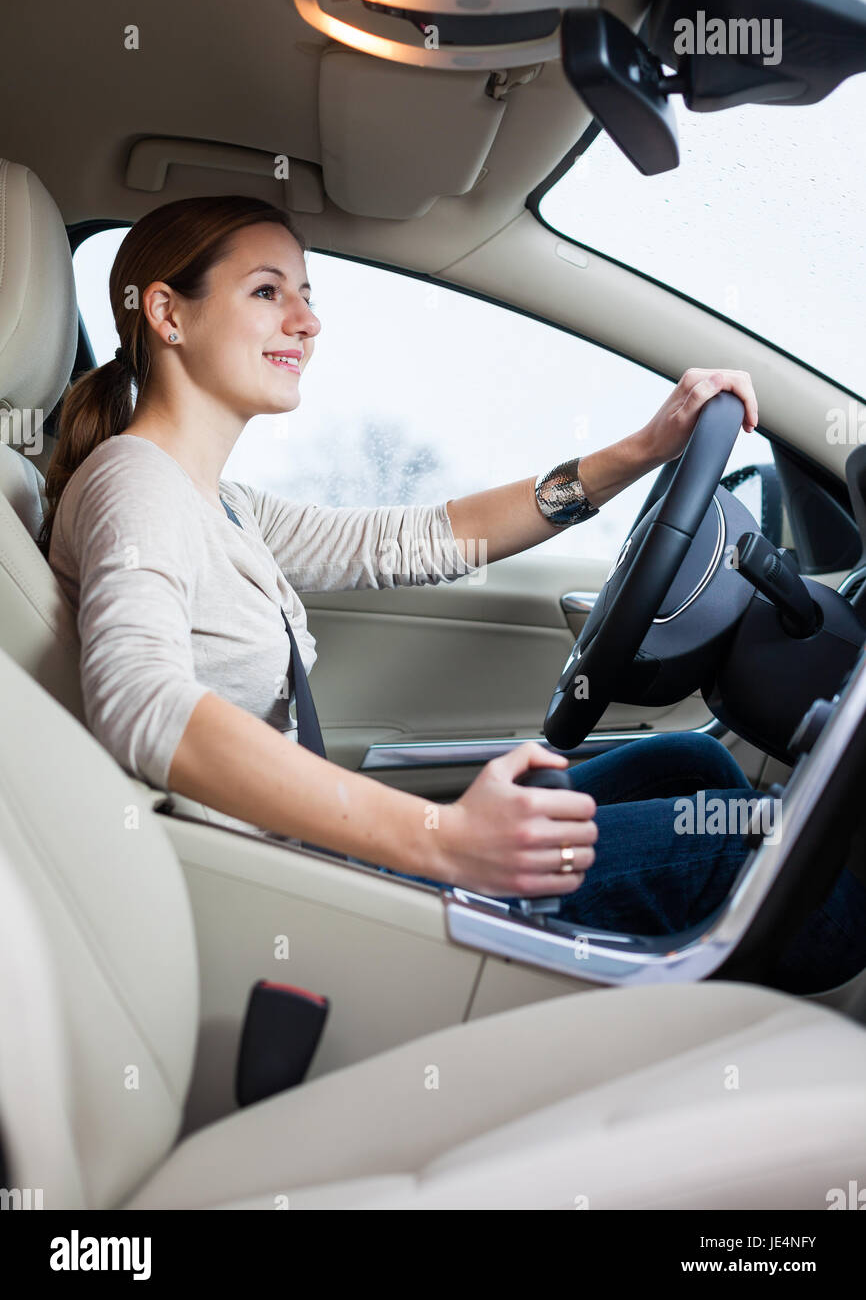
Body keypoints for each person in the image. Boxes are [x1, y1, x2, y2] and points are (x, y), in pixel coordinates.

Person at [40, 194, 865, 994]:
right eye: (267, 292)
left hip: (299, 862)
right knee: (773, 867)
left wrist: (643, 449)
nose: (307, 320)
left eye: (307, 294)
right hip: (274, 900)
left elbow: (424, 540)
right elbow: (140, 703)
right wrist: (443, 839)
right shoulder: (134, 483)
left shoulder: (219, 502)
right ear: (167, 313)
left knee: (690, 764)